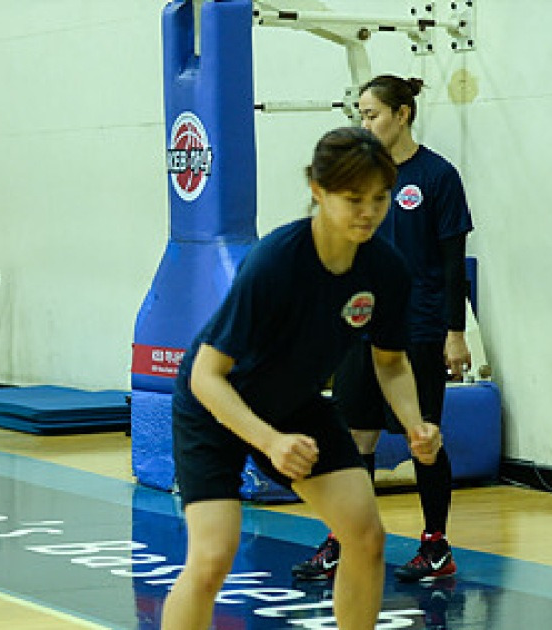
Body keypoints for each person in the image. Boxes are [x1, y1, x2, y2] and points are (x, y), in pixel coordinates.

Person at [159, 127, 442, 630]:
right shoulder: (275, 261)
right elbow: (206, 376)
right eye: (353, 199)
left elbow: (391, 362)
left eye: (380, 199)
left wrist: (415, 423)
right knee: (211, 559)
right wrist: (269, 441)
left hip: (293, 404)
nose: (368, 212)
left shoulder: (385, 269)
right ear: (318, 191)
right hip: (215, 408)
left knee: (366, 536)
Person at [293, 76, 473, 584]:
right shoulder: (365, 180)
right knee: (354, 438)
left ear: (402, 114)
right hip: (359, 329)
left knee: (423, 437)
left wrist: (454, 333)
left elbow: (453, 263)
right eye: (360, 114)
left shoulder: (438, 176)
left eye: (372, 114)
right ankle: (343, 540)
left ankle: (435, 546)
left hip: (418, 330)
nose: (365, 123)